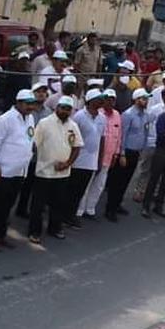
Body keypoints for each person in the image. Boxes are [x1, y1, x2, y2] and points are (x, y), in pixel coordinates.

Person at [0, 90, 38, 252]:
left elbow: (29, 139)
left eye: (32, 104)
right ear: (18, 103)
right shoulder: (5, 119)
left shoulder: (30, 118)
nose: (30, 107)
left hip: (20, 171)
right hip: (4, 171)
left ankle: (0, 235)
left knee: (8, 205)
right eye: (27, 103)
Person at [28, 96, 82, 244]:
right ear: (56, 107)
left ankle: (55, 228)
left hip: (63, 173)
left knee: (58, 204)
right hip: (44, 172)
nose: (65, 111)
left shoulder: (73, 125)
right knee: (38, 205)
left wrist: (68, 164)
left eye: (68, 109)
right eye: (62, 107)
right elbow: (33, 145)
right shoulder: (44, 123)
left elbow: (77, 147)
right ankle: (34, 231)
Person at [105, 88, 150, 221]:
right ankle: (110, 208)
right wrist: (122, 153)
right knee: (117, 181)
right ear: (136, 100)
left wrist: (143, 149)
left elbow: (145, 132)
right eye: (143, 98)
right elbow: (122, 135)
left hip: (136, 152)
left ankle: (118, 204)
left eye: (146, 99)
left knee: (126, 180)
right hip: (126, 152)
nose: (145, 101)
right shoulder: (128, 115)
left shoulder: (146, 115)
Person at [80, 89, 121, 220]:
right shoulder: (92, 114)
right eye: (106, 98)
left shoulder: (116, 115)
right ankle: (79, 210)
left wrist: (116, 153)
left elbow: (118, 136)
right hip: (89, 156)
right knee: (86, 184)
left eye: (112, 99)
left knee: (99, 185)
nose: (109, 101)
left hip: (107, 156)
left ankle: (90, 209)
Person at [66, 89, 104, 226]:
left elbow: (102, 140)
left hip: (91, 162)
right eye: (99, 98)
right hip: (78, 160)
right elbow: (71, 139)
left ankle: (71, 215)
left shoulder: (102, 118)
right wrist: (69, 160)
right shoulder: (79, 116)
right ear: (90, 100)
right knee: (71, 190)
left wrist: (100, 160)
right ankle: (65, 215)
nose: (102, 101)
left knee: (80, 191)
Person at [14, 84, 50, 218]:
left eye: (44, 91)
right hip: (25, 154)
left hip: (41, 155)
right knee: (21, 184)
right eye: (38, 91)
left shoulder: (49, 112)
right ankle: (19, 208)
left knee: (35, 185)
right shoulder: (26, 112)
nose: (41, 94)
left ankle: (28, 209)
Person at [131, 87, 165, 203]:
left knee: (159, 170)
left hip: (164, 145)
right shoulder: (155, 109)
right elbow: (146, 123)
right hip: (151, 142)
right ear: (163, 96)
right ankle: (139, 191)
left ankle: (153, 192)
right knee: (145, 169)